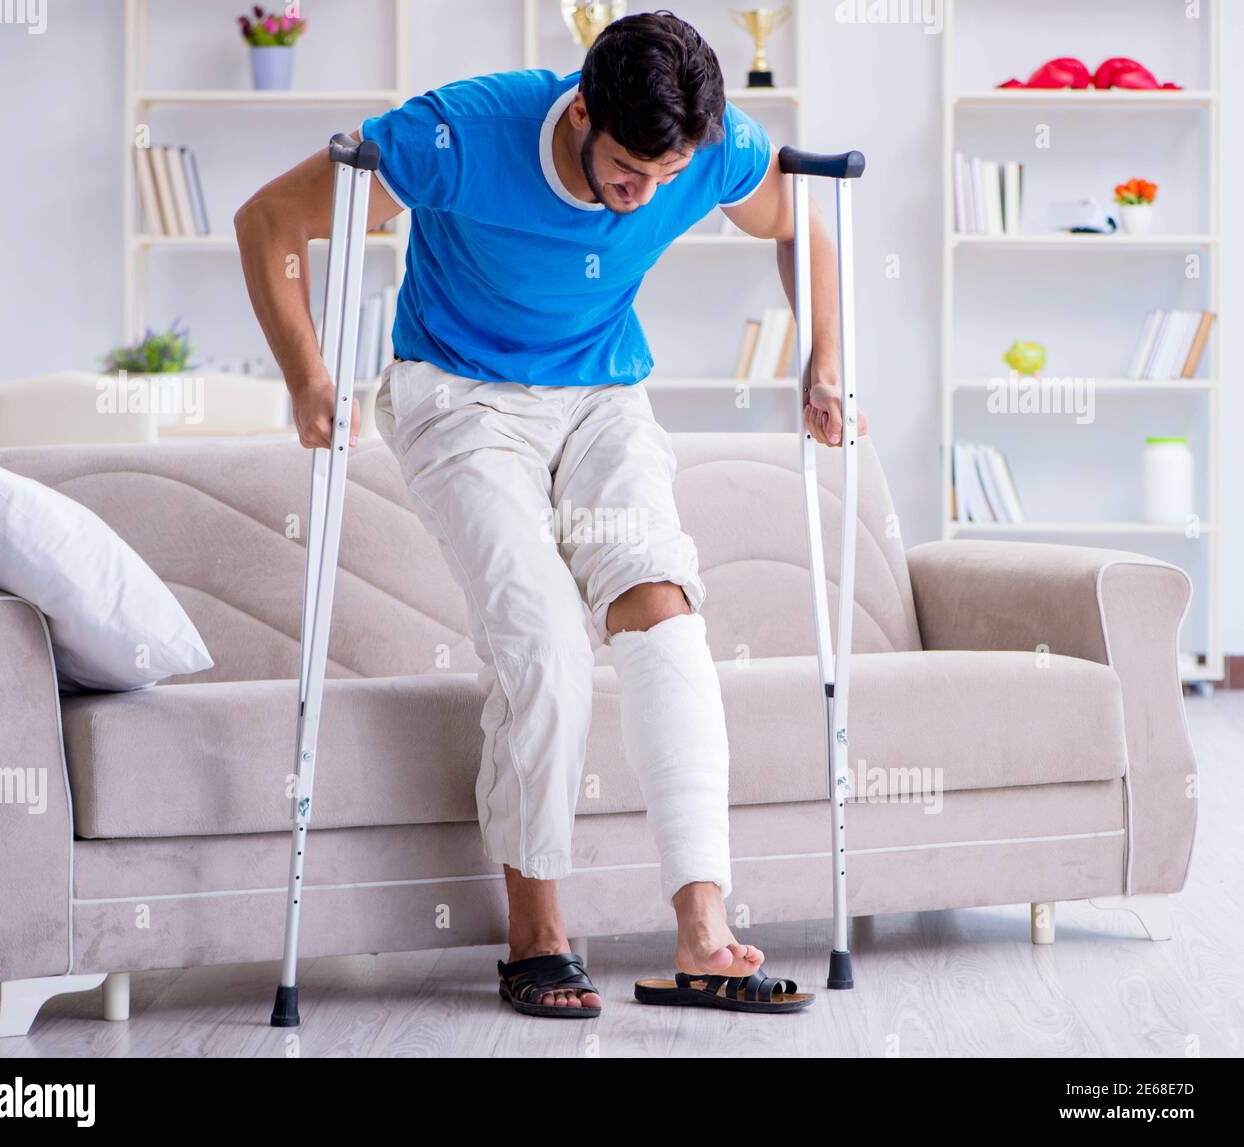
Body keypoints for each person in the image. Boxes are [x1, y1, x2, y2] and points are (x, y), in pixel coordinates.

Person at [236, 11, 865, 1018]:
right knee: (541, 640)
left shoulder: (705, 147)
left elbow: (803, 226)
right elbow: (269, 221)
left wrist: (823, 357)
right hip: (458, 397)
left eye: (663, 179)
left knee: (666, 621)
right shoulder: (455, 134)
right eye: (625, 170)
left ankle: (703, 936)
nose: (641, 198)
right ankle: (537, 934)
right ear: (579, 111)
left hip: (603, 396)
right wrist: (308, 376)